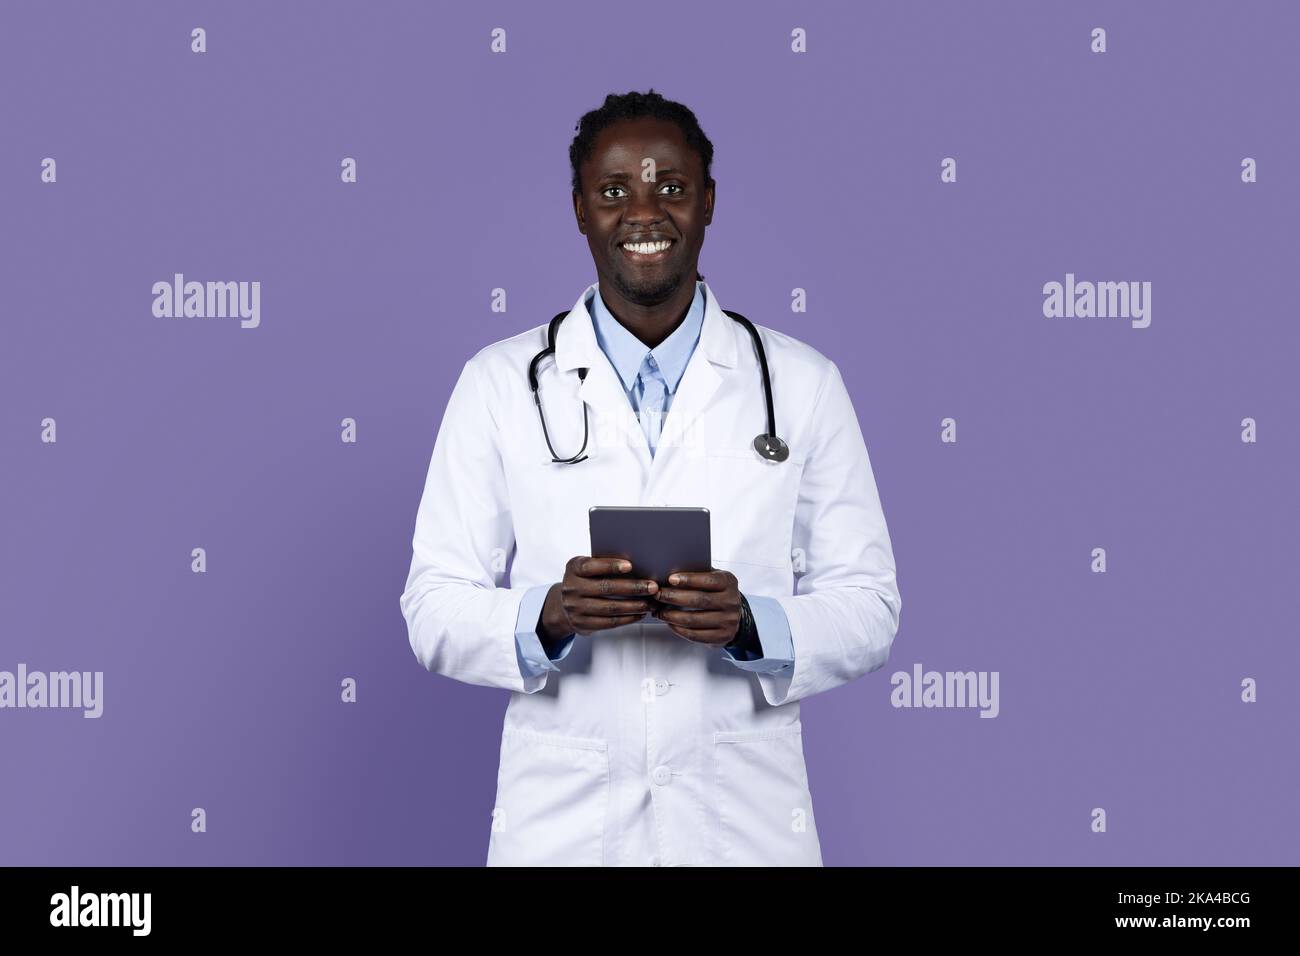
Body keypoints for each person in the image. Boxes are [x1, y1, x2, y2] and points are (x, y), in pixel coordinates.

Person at [400, 89, 901, 866]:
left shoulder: (800, 384)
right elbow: (431, 607)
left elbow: (870, 606)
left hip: (743, 824)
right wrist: (549, 616)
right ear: (578, 209)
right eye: (613, 191)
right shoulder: (499, 384)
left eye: (671, 187)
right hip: (562, 828)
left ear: (708, 203)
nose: (644, 212)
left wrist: (751, 625)